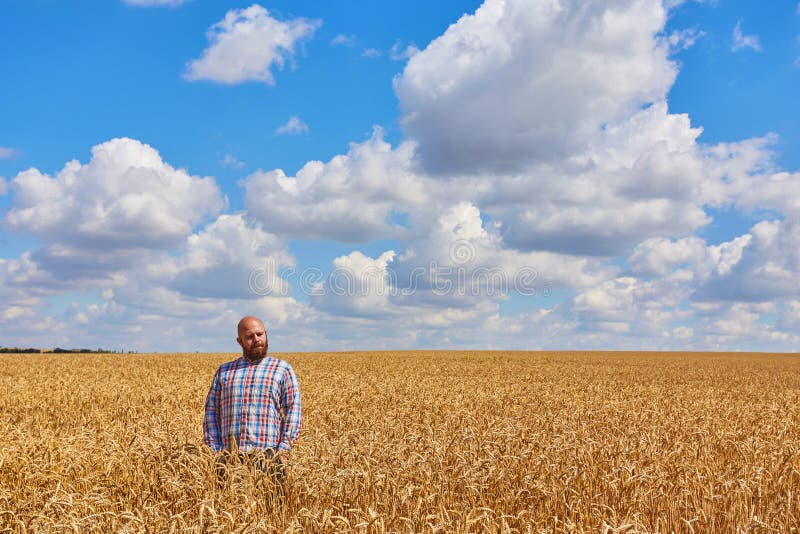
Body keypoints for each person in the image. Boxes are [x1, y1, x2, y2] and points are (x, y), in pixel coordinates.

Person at [203, 316, 302, 490]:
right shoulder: (225, 371)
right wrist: (216, 451)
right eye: (250, 337)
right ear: (239, 341)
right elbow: (211, 411)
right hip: (229, 460)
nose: (257, 340)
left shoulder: (282, 369)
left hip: (269, 458)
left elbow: (293, 410)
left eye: (260, 334)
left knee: (272, 513)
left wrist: (283, 452)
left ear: (266, 335)